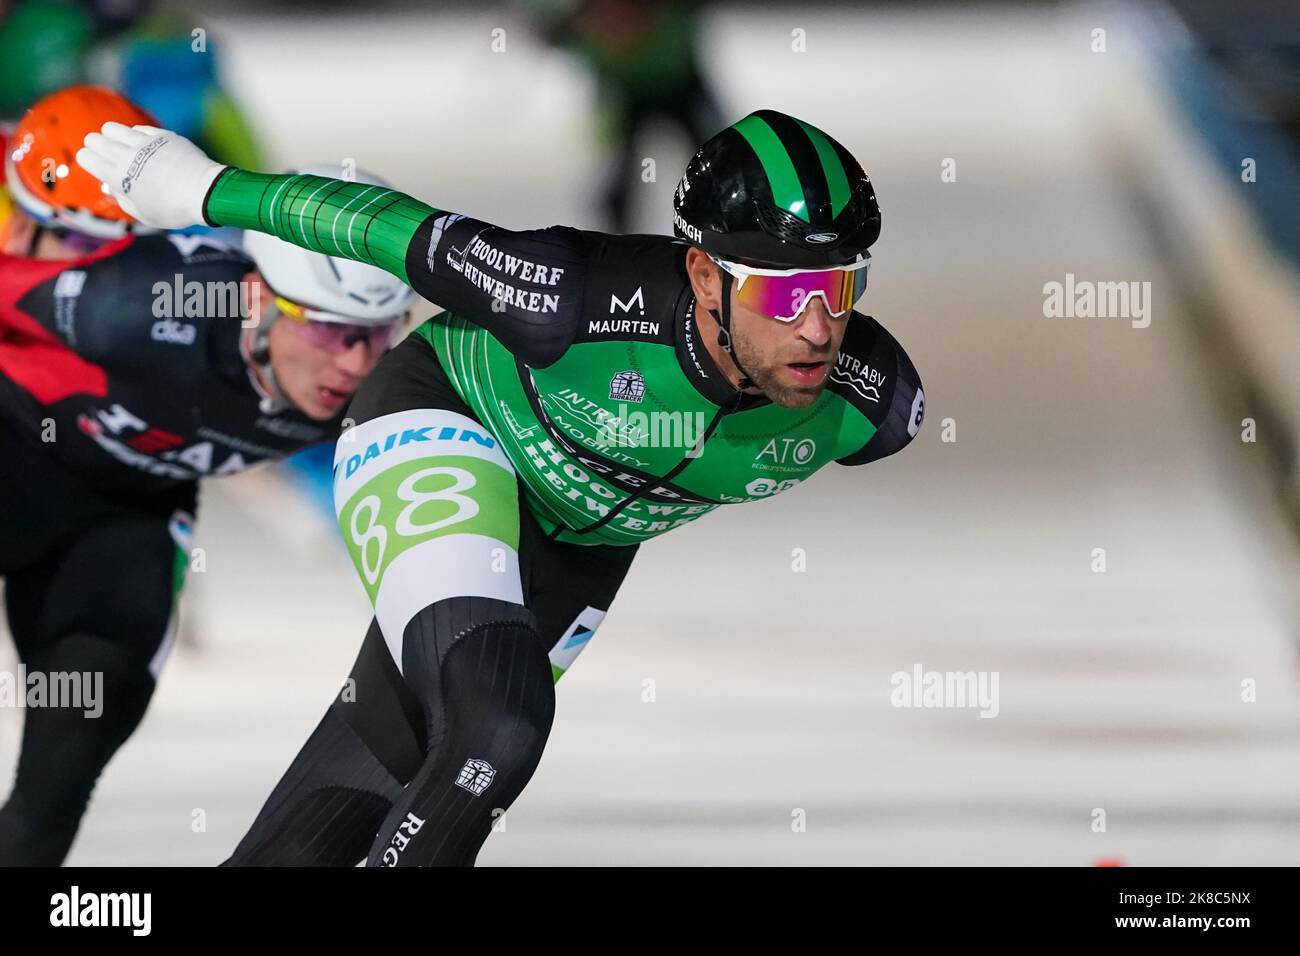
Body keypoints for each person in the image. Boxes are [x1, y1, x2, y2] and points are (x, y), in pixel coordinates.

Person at [77, 107, 925, 866]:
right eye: (785, 292)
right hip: (450, 418)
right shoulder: (574, 296)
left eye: (840, 285)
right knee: (500, 721)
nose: (817, 326)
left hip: (580, 542)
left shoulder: (872, 406)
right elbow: (381, 226)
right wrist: (203, 187)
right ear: (703, 276)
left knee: (383, 777)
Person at [0, 85, 415, 865]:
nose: (354, 363)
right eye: (329, 328)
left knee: (71, 749)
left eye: (376, 333)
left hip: (124, 517)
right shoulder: (137, 303)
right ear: (267, 299)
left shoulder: (396, 379)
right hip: (19, 448)